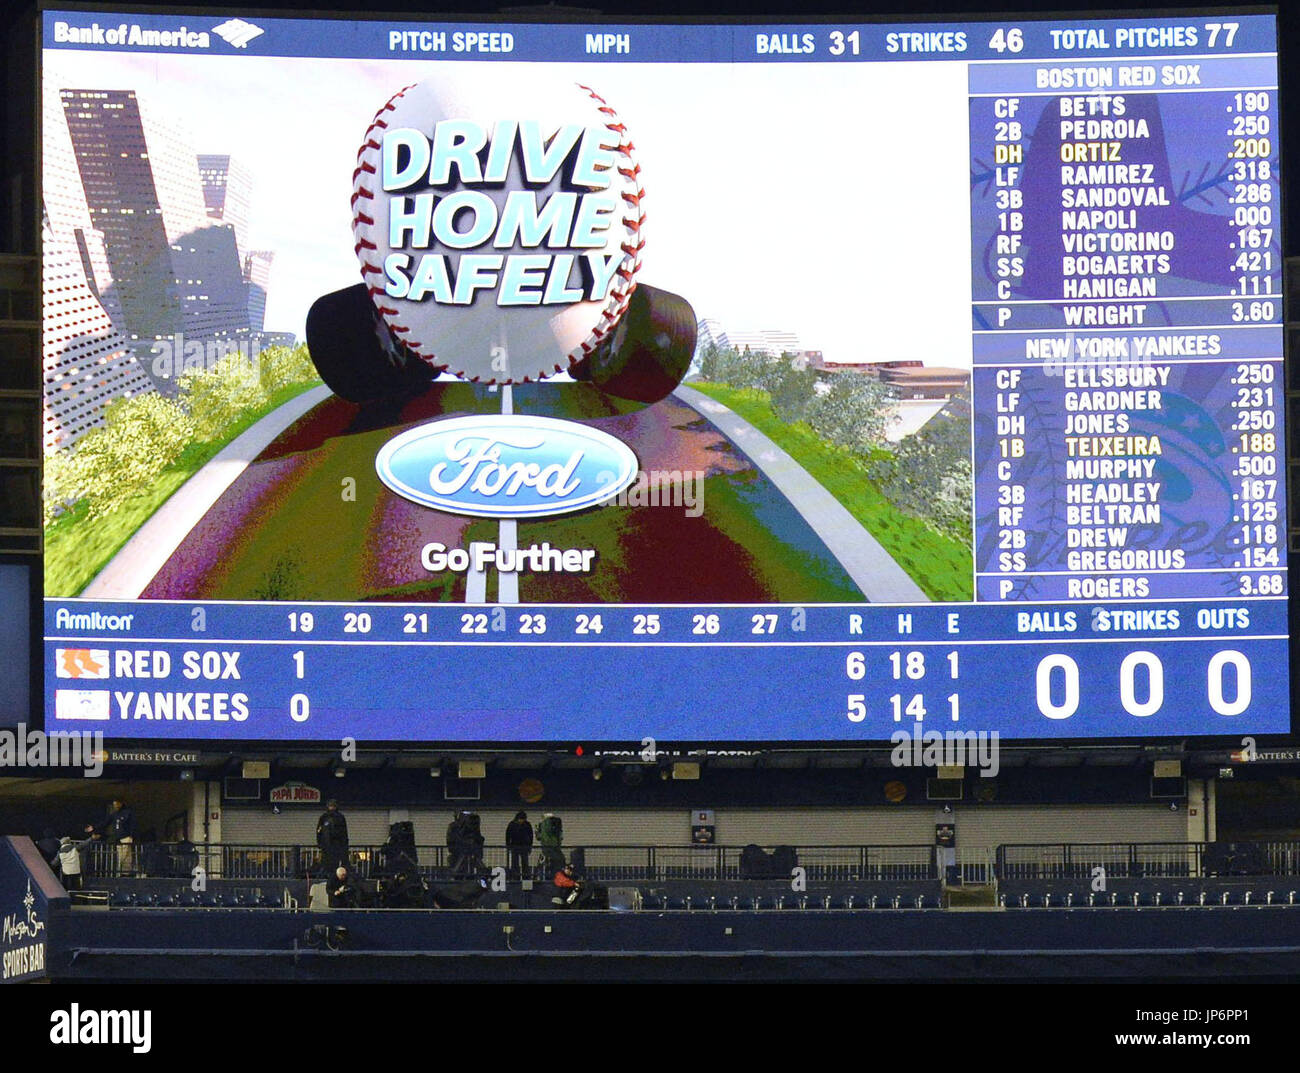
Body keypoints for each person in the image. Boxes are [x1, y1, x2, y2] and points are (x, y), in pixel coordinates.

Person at [86, 799, 135, 876]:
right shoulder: (114, 814)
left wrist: (132, 835)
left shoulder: (128, 813)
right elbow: (105, 822)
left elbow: (132, 825)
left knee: (126, 856)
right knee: (121, 855)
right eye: (114, 805)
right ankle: (123, 873)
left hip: (126, 837)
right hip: (119, 837)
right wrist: (94, 827)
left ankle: (126, 872)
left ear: (120, 803)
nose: (115, 806)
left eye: (116, 804)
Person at [315, 799, 349, 876]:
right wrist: (319, 843)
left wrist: (344, 845)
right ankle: (325, 875)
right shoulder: (323, 817)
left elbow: (344, 833)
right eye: (330, 806)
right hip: (326, 846)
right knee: (326, 863)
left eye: (333, 806)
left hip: (337, 846)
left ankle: (334, 875)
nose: (332, 808)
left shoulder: (340, 818)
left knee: (335, 864)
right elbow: (319, 831)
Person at [505, 811, 533, 880]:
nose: (522, 821)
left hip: (523, 846)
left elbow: (531, 836)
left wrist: (529, 846)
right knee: (515, 863)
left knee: (525, 863)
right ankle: (515, 877)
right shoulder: (513, 825)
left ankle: (525, 877)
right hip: (516, 846)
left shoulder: (525, 824)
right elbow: (508, 836)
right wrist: (508, 845)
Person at [537, 812, 565, 878]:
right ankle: (557, 875)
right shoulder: (557, 823)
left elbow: (539, 837)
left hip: (546, 846)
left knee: (546, 861)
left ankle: (544, 876)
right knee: (559, 860)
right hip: (556, 845)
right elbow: (561, 836)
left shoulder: (543, 824)